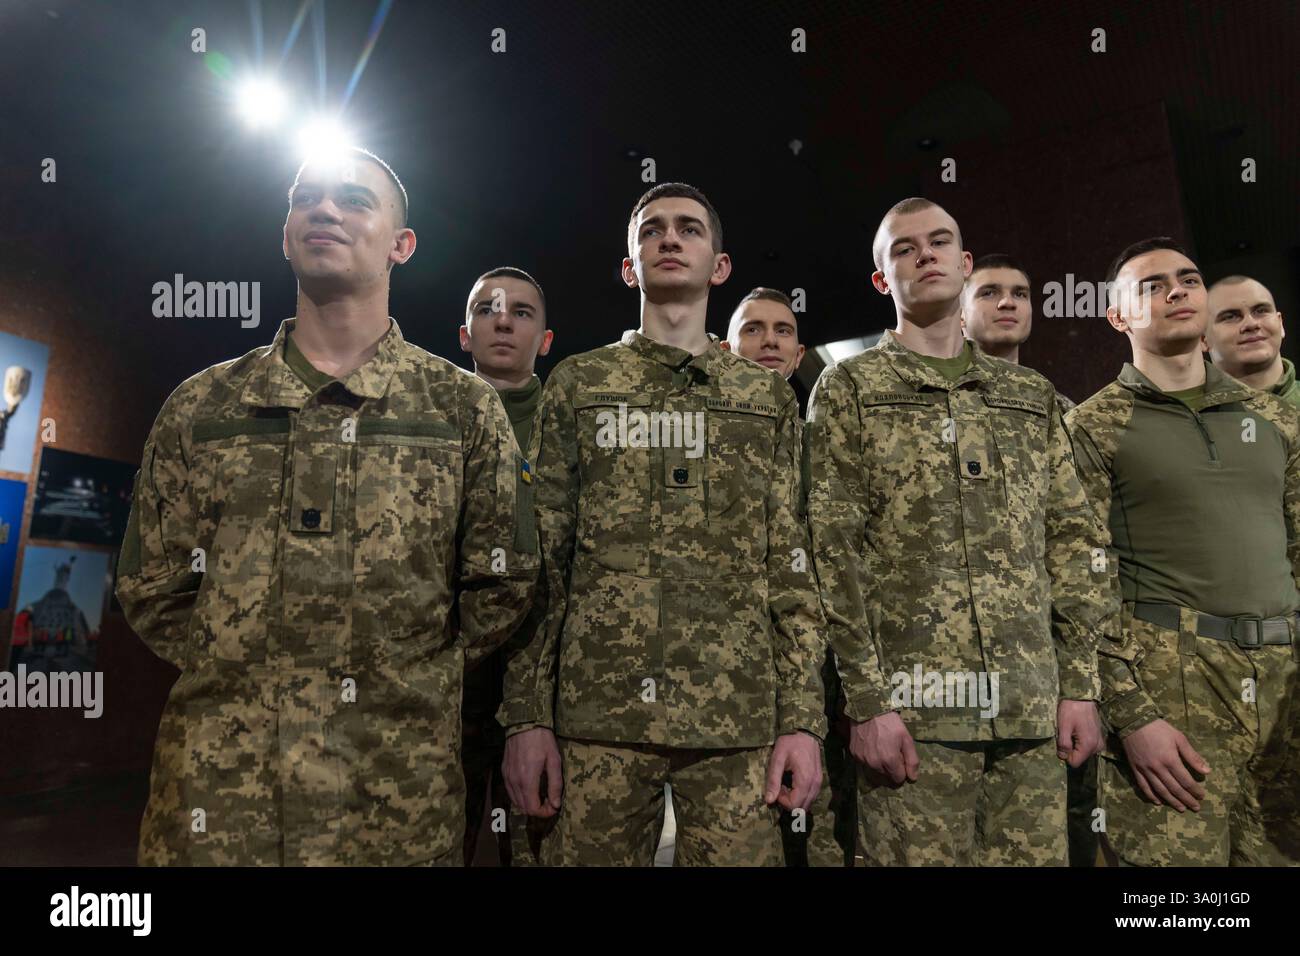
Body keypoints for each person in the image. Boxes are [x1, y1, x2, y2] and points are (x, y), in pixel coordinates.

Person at [116, 147, 539, 865]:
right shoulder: (203, 406)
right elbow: (151, 586)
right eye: (307, 198)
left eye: (353, 199)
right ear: (286, 235)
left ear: (401, 245)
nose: (325, 210)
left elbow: (502, 582)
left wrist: (406, 670)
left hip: (393, 795)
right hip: (222, 798)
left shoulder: (461, 409)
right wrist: (246, 666)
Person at [499, 182, 827, 866]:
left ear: (719, 266)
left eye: (688, 230)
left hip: (738, 724)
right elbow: (542, 563)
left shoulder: (764, 398)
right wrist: (527, 717)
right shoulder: (581, 386)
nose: (670, 240)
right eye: (652, 231)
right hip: (596, 722)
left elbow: (792, 568)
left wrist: (802, 718)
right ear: (630, 266)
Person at [806, 197, 1111, 866]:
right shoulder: (848, 389)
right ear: (882, 280)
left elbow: (1074, 542)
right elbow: (834, 555)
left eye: (940, 241)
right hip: (915, 720)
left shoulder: (1028, 396)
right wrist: (866, 704)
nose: (926, 254)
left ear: (965, 262)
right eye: (905, 248)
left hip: (1031, 716)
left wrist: (1080, 684)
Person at [1067, 238, 1299, 866]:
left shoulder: (1274, 420)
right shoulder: (1091, 426)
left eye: (1189, 279)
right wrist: (1132, 714)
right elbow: (1079, 584)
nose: (1177, 291)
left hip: (1283, 692)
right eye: (1151, 285)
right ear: (1118, 318)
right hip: (1173, 693)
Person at [723, 286, 853, 866]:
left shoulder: (827, 440)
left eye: (782, 331)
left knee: (829, 830)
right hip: (741, 670)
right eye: (752, 329)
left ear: (800, 355)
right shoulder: (706, 443)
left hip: (830, 665)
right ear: (726, 349)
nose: (769, 341)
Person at [458, 265, 553, 866]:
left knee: (539, 849)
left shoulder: (573, 425)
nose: (502, 320)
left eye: (521, 312)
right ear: (464, 333)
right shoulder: (429, 421)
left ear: (545, 339)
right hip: (448, 678)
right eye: (487, 309)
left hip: (544, 680)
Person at [1204, 275, 1299, 406]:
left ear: (1280, 324)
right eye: (1230, 317)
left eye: (1261, 311)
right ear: (1203, 340)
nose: (1251, 324)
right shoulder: (1187, 420)